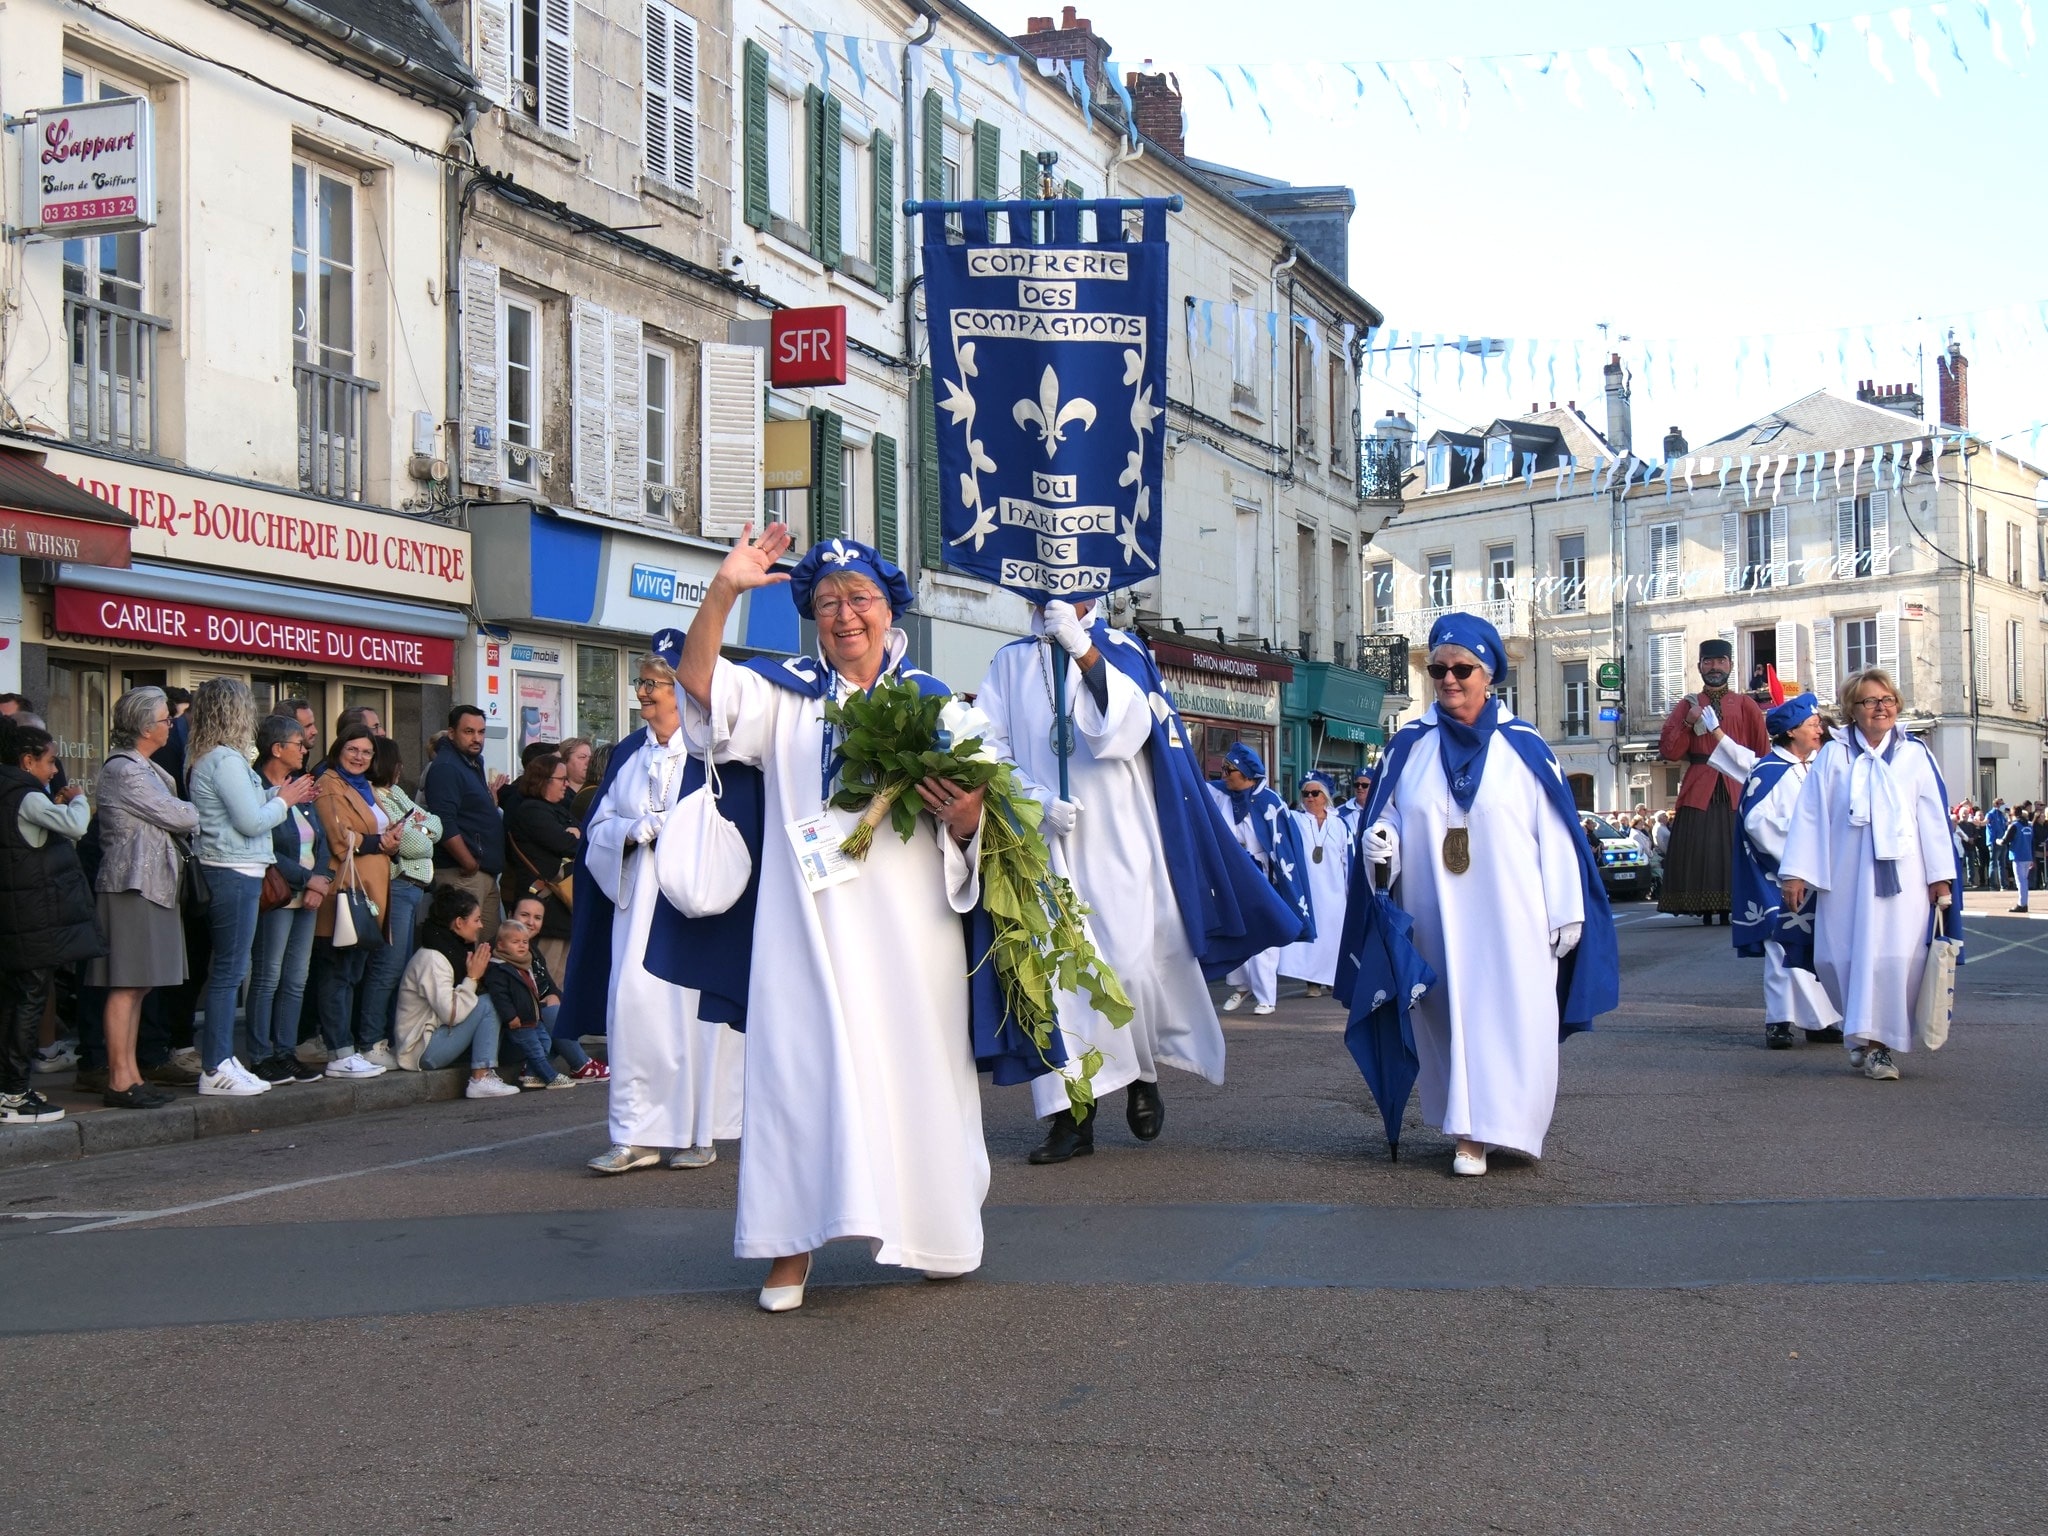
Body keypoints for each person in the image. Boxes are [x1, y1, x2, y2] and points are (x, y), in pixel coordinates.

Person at [676, 527, 1035, 1311]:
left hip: (913, 934)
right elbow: (701, 687)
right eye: (830, 601)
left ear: (889, 608)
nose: (846, 616)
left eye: (861, 599)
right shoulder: (784, 697)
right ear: (811, 613)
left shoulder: (940, 705)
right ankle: (788, 1248)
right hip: (804, 927)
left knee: (919, 1074)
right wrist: (725, 590)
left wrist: (971, 817)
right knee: (798, 1073)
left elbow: (981, 831)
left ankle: (935, 1229)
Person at [974, 599, 1302, 1163]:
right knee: (1056, 978)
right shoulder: (1009, 661)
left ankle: (1142, 1071)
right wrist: (1036, 800)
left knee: (1128, 966)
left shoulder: (1125, 651)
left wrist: (1083, 651)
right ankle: (1071, 1117)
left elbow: (1129, 730)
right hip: (1045, 840)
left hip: (1120, 839)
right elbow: (987, 746)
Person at [1357, 613, 1619, 1175]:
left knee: (1515, 1014)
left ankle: (1511, 1124)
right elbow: (1390, 817)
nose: (1448, 679)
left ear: (1489, 674)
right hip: (1435, 915)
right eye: (1438, 668)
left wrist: (1566, 912)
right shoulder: (1409, 745)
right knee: (1449, 1016)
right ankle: (1468, 1132)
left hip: (1513, 914)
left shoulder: (1523, 747)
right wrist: (1383, 841)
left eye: (1462, 669)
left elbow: (1558, 834)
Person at [577, 640, 744, 1175]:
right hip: (638, 905)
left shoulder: (713, 748)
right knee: (633, 1009)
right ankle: (634, 1135)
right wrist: (632, 830)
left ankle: (700, 1132)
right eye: (642, 683)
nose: (644, 693)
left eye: (655, 684)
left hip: (695, 903)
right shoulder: (628, 754)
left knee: (695, 1016)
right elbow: (596, 828)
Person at [1780, 669, 1961, 1082]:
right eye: (1870, 701)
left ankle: (1880, 1047)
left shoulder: (1915, 754)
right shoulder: (1834, 755)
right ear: (1852, 710)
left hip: (1905, 879)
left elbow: (1932, 818)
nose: (1881, 708)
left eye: (1888, 700)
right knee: (1839, 957)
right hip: (1845, 878)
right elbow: (1810, 815)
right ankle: (1860, 1036)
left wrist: (1940, 877)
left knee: (1896, 960)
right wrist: (1796, 873)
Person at [186, 678, 320, 1096]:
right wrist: (286, 799)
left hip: (239, 868)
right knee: (230, 972)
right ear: (233, 712)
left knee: (233, 971)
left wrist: (277, 796)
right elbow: (250, 821)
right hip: (232, 868)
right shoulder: (223, 760)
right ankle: (216, 1066)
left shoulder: (220, 758)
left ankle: (223, 1059)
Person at [87, 688, 201, 1108]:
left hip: (151, 883)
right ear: (143, 726)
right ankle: (120, 1079)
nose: (170, 725)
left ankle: (130, 1074)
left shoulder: (145, 768)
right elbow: (181, 814)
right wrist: (187, 811)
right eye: (164, 719)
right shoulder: (126, 769)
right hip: (131, 884)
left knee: (140, 985)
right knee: (126, 984)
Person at [0, 721, 102, 1124]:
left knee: (13, 1003)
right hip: (31, 919)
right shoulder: (24, 795)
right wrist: (77, 800)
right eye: (48, 761)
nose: (53, 769)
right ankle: (13, 1093)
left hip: (15, 918)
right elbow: (75, 826)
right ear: (27, 761)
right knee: (28, 1002)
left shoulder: (13, 792)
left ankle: (10, 1087)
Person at [1730, 693, 1844, 1049]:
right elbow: (1757, 823)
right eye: (1813, 725)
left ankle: (1818, 1020)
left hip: (1810, 875)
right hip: (1777, 874)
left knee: (1810, 947)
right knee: (1781, 950)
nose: (1819, 730)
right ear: (1792, 732)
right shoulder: (1768, 772)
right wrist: (1798, 853)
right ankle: (1778, 1021)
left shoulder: (1811, 767)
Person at [244, 713, 332, 1085]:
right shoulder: (257, 788)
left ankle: (286, 1051)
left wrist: (321, 879)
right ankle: (260, 1055)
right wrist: (308, 879)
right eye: (298, 743)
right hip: (280, 894)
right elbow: (266, 846)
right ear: (277, 749)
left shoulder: (301, 785)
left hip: (308, 895)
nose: (304, 749)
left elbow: (321, 837)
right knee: (268, 977)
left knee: (296, 978)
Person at [310, 722, 400, 1078]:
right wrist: (380, 843)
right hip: (345, 890)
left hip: (371, 889)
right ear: (338, 750)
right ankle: (338, 1050)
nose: (360, 757)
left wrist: (391, 838)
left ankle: (346, 1049)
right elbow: (339, 838)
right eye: (353, 750)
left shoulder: (364, 787)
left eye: (367, 752)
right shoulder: (330, 785)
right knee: (337, 972)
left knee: (353, 972)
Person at [1657, 640, 1770, 925]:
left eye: (1720, 661)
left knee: (1735, 847)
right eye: (1708, 662)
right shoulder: (1688, 704)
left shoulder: (1746, 705)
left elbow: (1762, 752)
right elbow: (1670, 751)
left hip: (1738, 785)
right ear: (1699, 667)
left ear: (1730, 665)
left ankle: (1738, 902)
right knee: (1699, 847)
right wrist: (1686, 722)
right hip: (1699, 783)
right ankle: (1703, 907)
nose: (1714, 667)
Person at [1211, 744, 1314, 1016]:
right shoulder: (1220, 795)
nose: (1223, 774)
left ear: (1246, 773)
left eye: (1228, 769)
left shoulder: (1270, 802)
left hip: (1260, 874)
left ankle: (1266, 995)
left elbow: (1282, 845)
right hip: (1231, 872)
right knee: (1231, 928)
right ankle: (1241, 984)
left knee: (1264, 932)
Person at [355, 738, 440, 1062]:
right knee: (386, 969)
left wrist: (420, 829)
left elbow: (435, 824)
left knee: (400, 968)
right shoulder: (375, 795)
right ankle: (371, 1040)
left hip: (412, 888)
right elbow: (415, 845)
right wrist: (422, 832)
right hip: (397, 886)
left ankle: (390, 1038)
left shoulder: (397, 793)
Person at [393, 884, 518, 1097]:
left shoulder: (453, 949)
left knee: (490, 1001)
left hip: (439, 1037)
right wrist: (472, 978)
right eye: (476, 919)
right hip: (422, 1050)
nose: (480, 926)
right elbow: (452, 1014)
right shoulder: (433, 958)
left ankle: (485, 1071)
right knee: (488, 1003)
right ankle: (481, 1078)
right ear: (459, 923)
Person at [425, 705, 506, 939]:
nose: (476, 738)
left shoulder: (471, 763)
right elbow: (444, 821)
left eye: (481, 732)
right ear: (451, 733)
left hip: (484, 873)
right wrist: (468, 863)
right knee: (465, 947)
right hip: (461, 873)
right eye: (469, 732)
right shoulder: (447, 767)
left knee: (487, 948)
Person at [507, 891, 605, 1079]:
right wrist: (545, 1003)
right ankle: (581, 1065)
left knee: (557, 1007)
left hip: (536, 1032)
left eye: (537, 918)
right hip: (513, 1036)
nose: (530, 922)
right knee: (552, 1014)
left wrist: (552, 997)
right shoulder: (498, 949)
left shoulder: (533, 951)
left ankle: (533, 1070)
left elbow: (552, 989)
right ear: (510, 915)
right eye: (524, 915)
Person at [503, 751, 578, 979]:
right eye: (561, 779)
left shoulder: (557, 808)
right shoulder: (531, 811)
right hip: (545, 903)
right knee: (548, 973)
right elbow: (568, 844)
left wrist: (576, 833)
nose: (566, 784)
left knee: (564, 975)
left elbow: (584, 834)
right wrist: (574, 835)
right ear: (544, 780)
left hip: (561, 907)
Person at [483, 919, 577, 1089]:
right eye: (515, 942)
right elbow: (500, 996)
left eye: (525, 942)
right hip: (519, 1022)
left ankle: (532, 1076)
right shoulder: (499, 969)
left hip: (534, 1018)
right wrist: (510, 1016)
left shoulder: (525, 964)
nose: (521, 946)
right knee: (535, 1051)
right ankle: (551, 1077)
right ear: (501, 945)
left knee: (545, 1043)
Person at [1281, 772, 1351, 997]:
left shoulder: (1340, 825)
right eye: (1305, 794)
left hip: (1335, 889)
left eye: (1315, 793)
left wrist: (1352, 891)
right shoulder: (1296, 821)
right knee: (1313, 933)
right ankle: (1312, 982)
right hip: (1309, 888)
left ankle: (1333, 978)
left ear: (1325, 796)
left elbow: (1348, 858)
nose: (1309, 798)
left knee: (1334, 935)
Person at [2010, 804, 2036, 914]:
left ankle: (2022, 904)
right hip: (2027, 856)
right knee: (2024, 880)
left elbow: (2006, 839)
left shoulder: (2015, 825)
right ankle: (2023, 902)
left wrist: (1998, 841)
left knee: (2020, 881)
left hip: (2018, 856)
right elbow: (2032, 843)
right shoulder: (2029, 826)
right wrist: (2033, 858)